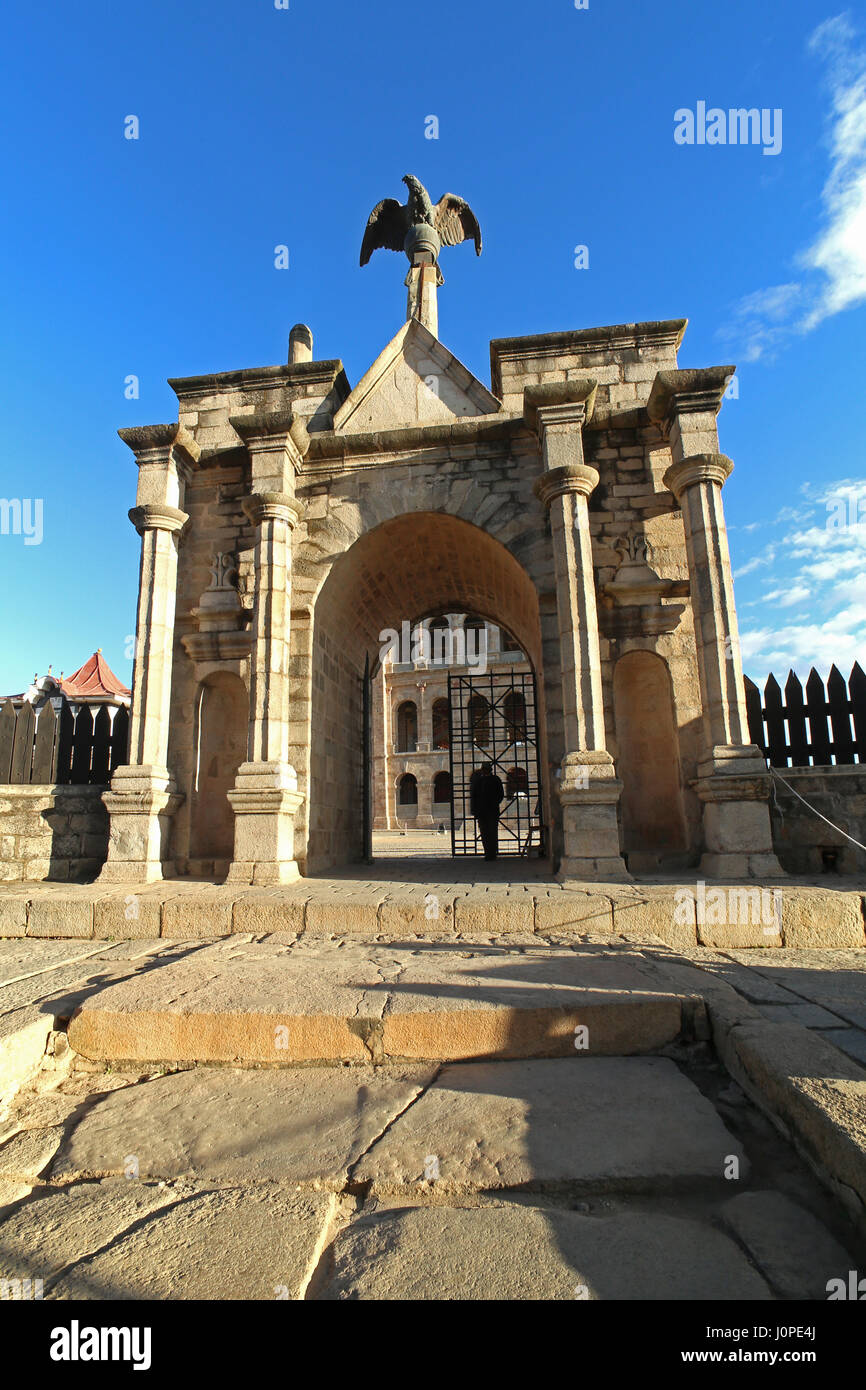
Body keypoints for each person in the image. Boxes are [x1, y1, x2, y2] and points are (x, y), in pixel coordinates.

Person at [469, 761, 504, 860]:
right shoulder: (479, 781)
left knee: (492, 832)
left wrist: (494, 803)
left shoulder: (494, 780)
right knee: (485, 833)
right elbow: (474, 797)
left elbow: (500, 794)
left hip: (491, 811)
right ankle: (488, 853)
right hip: (483, 811)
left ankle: (492, 853)